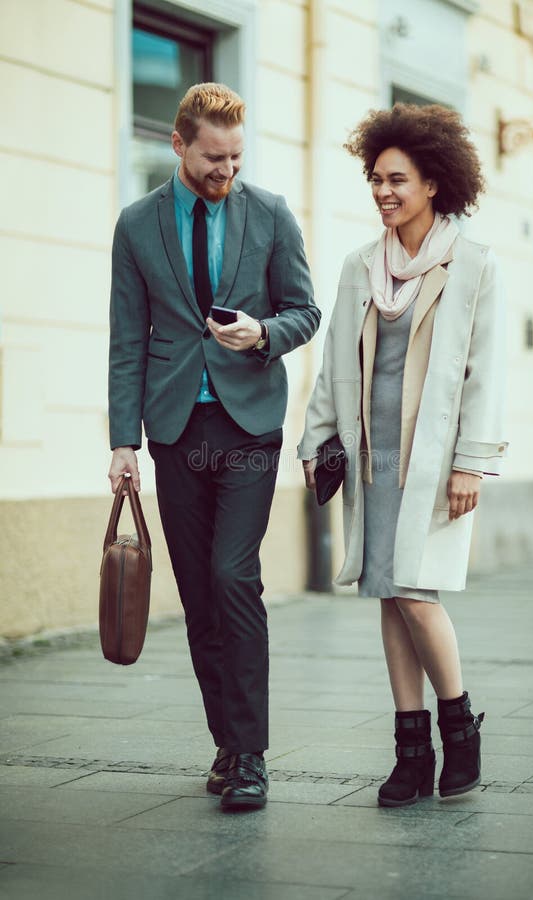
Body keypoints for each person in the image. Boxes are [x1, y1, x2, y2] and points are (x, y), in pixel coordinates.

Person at [108, 82, 319, 812]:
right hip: (174, 431)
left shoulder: (270, 214)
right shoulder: (137, 224)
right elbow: (127, 337)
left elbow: (305, 311)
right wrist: (122, 441)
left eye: (235, 157)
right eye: (212, 158)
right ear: (179, 145)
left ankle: (253, 755)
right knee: (198, 594)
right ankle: (225, 744)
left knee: (234, 579)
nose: (225, 170)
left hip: (249, 426)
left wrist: (263, 333)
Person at [298, 103, 507, 807]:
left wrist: (470, 461)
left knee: (417, 594)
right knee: (387, 594)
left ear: (434, 184)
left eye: (398, 180)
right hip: (372, 456)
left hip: (435, 459)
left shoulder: (472, 265)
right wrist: (316, 439)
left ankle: (460, 726)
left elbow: (486, 373)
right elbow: (333, 366)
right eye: (377, 180)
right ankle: (411, 753)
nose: (385, 192)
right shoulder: (362, 266)